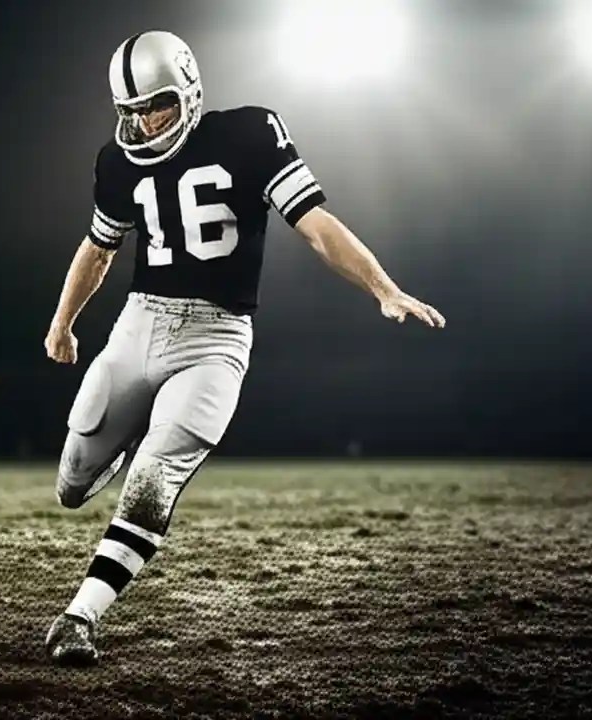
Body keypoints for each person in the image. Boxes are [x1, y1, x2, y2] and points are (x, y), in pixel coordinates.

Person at [42, 30, 446, 666]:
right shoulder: (116, 163)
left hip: (215, 337)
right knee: (70, 484)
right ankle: (120, 444)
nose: (145, 122)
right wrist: (63, 322)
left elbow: (317, 226)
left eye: (158, 105)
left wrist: (382, 288)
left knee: (155, 478)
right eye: (133, 111)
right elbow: (98, 248)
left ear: (191, 89)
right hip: (138, 323)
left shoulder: (250, 133)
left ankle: (79, 616)